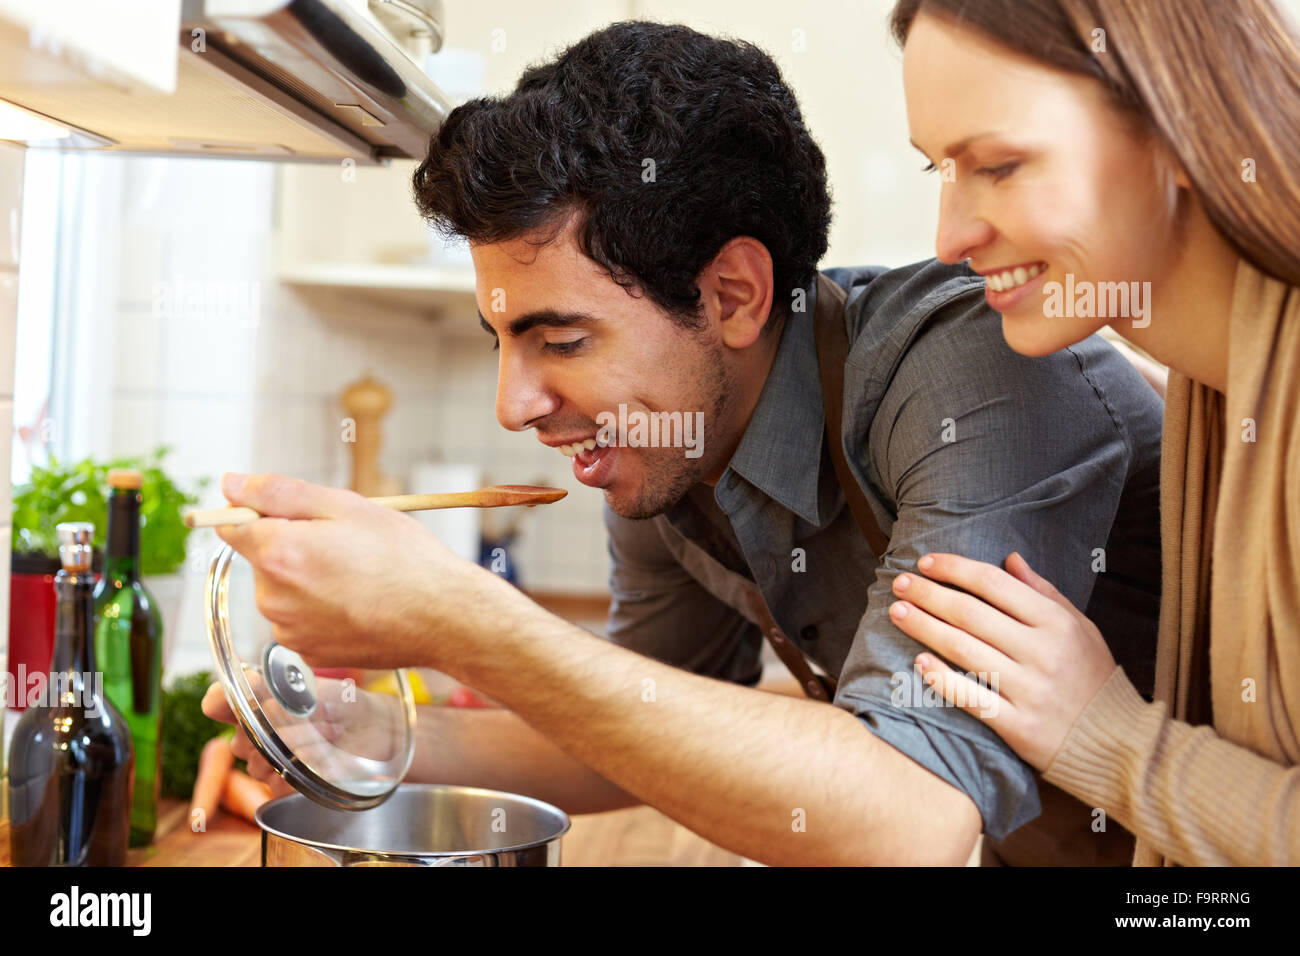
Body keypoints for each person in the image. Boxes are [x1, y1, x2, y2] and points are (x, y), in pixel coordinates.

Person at [201, 21, 1164, 865]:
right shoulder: (668, 454)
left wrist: (456, 617)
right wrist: (357, 734)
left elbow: (909, 820)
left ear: (734, 295)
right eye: (501, 340)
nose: (515, 405)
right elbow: (638, 719)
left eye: (562, 339)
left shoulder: (970, 370)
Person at [885, 0, 1300, 865]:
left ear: (1178, 127)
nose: (950, 238)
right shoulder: (1211, 390)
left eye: (998, 165)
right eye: (940, 171)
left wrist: (1102, 732)